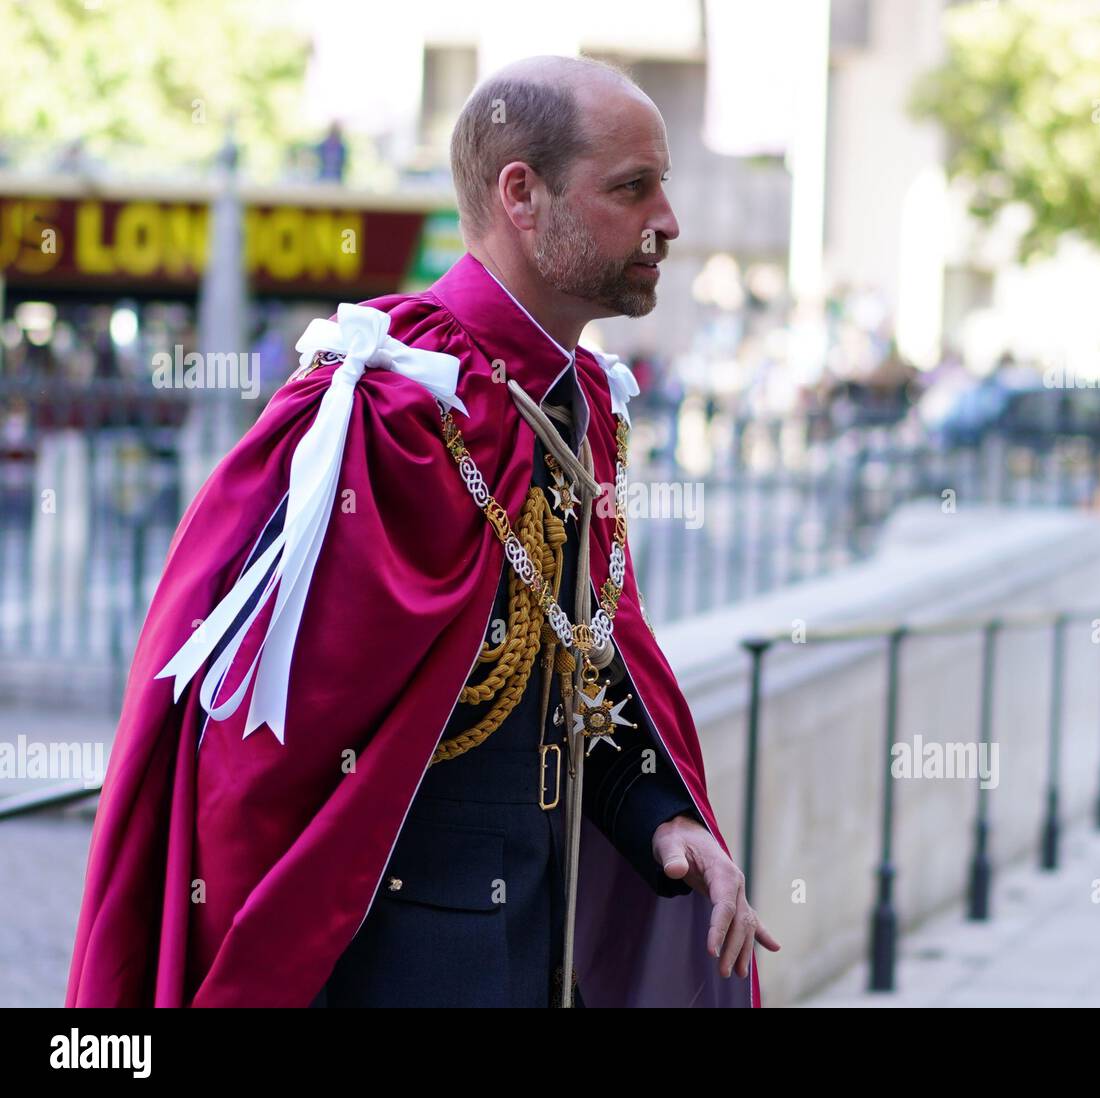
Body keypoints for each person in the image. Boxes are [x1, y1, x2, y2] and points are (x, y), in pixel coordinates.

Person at [65, 54, 778, 1008]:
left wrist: (659, 819)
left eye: (664, 186)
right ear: (522, 195)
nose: (668, 222)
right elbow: (270, 780)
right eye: (631, 188)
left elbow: (570, 669)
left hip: (532, 954)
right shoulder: (390, 408)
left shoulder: (574, 402)